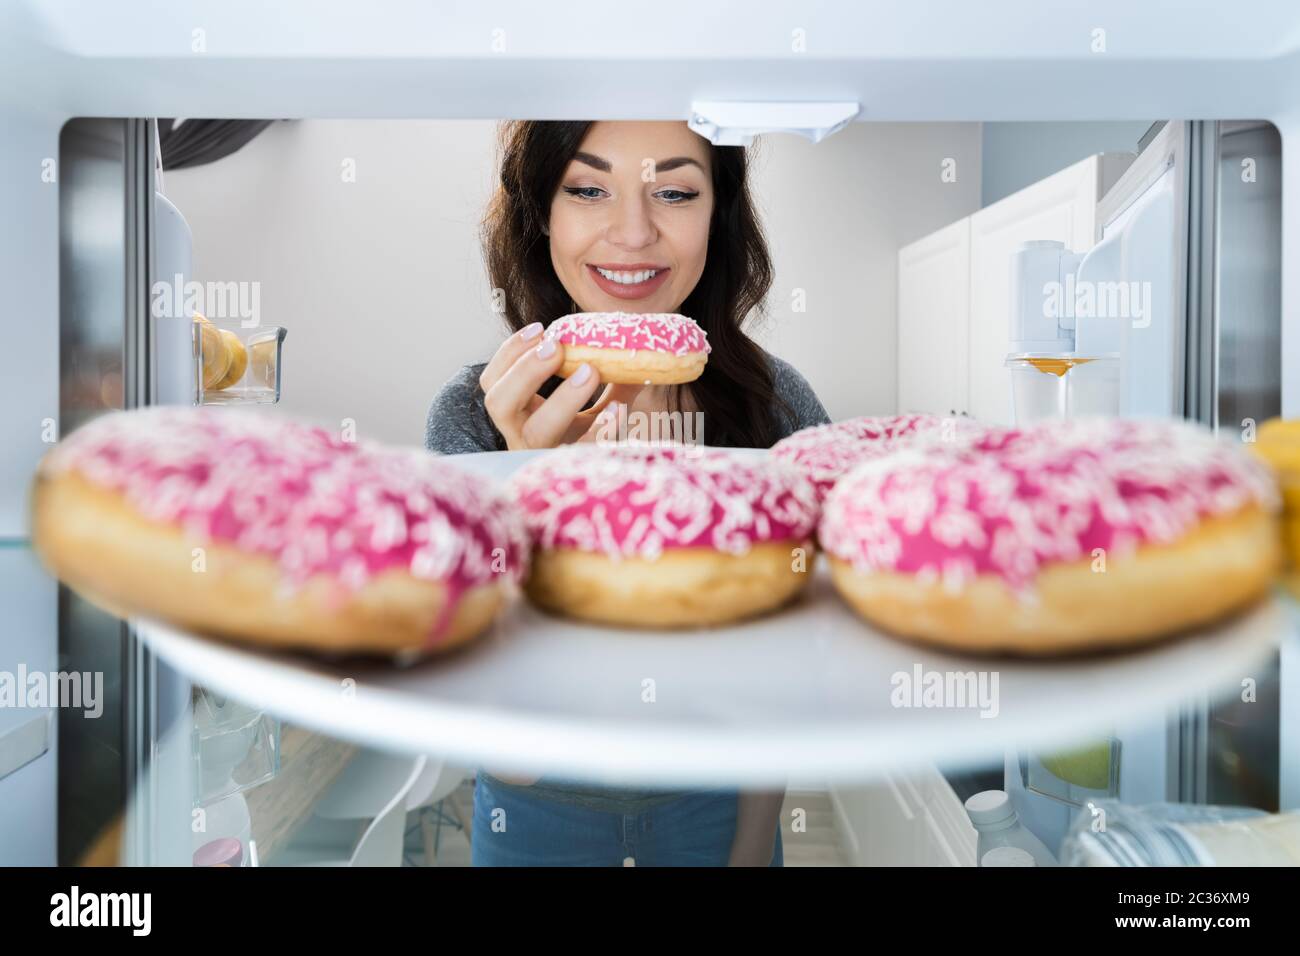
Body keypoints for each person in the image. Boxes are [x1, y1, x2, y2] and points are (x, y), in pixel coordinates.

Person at [426, 119, 830, 866]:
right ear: (541, 211)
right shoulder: (476, 413)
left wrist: (747, 847)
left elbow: (793, 672)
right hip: (536, 814)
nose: (633, 232)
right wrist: (538, 491)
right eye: (587, 189)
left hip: (720, 803)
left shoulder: (775, 408)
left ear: (720, 212)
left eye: (674, 191)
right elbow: (510, 750)